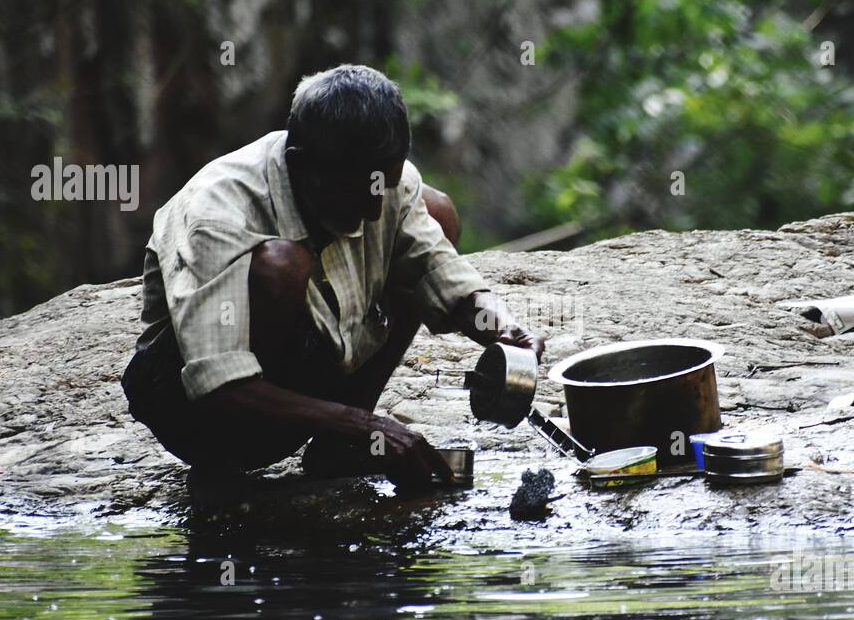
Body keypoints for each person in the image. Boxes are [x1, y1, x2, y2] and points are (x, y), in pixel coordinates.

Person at [122, 64, 544, 488]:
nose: (374, 213)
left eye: (385, 186)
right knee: (281, 266)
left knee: (436, 212)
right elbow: (219, 385)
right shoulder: (217, 214)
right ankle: (241, 460)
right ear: (301, 166)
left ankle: (336, 447)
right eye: (355, 195)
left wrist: (501, 327)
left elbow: (436, 268)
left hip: (309, 361)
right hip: (202, 409)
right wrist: (363, 424)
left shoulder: (380, 183)